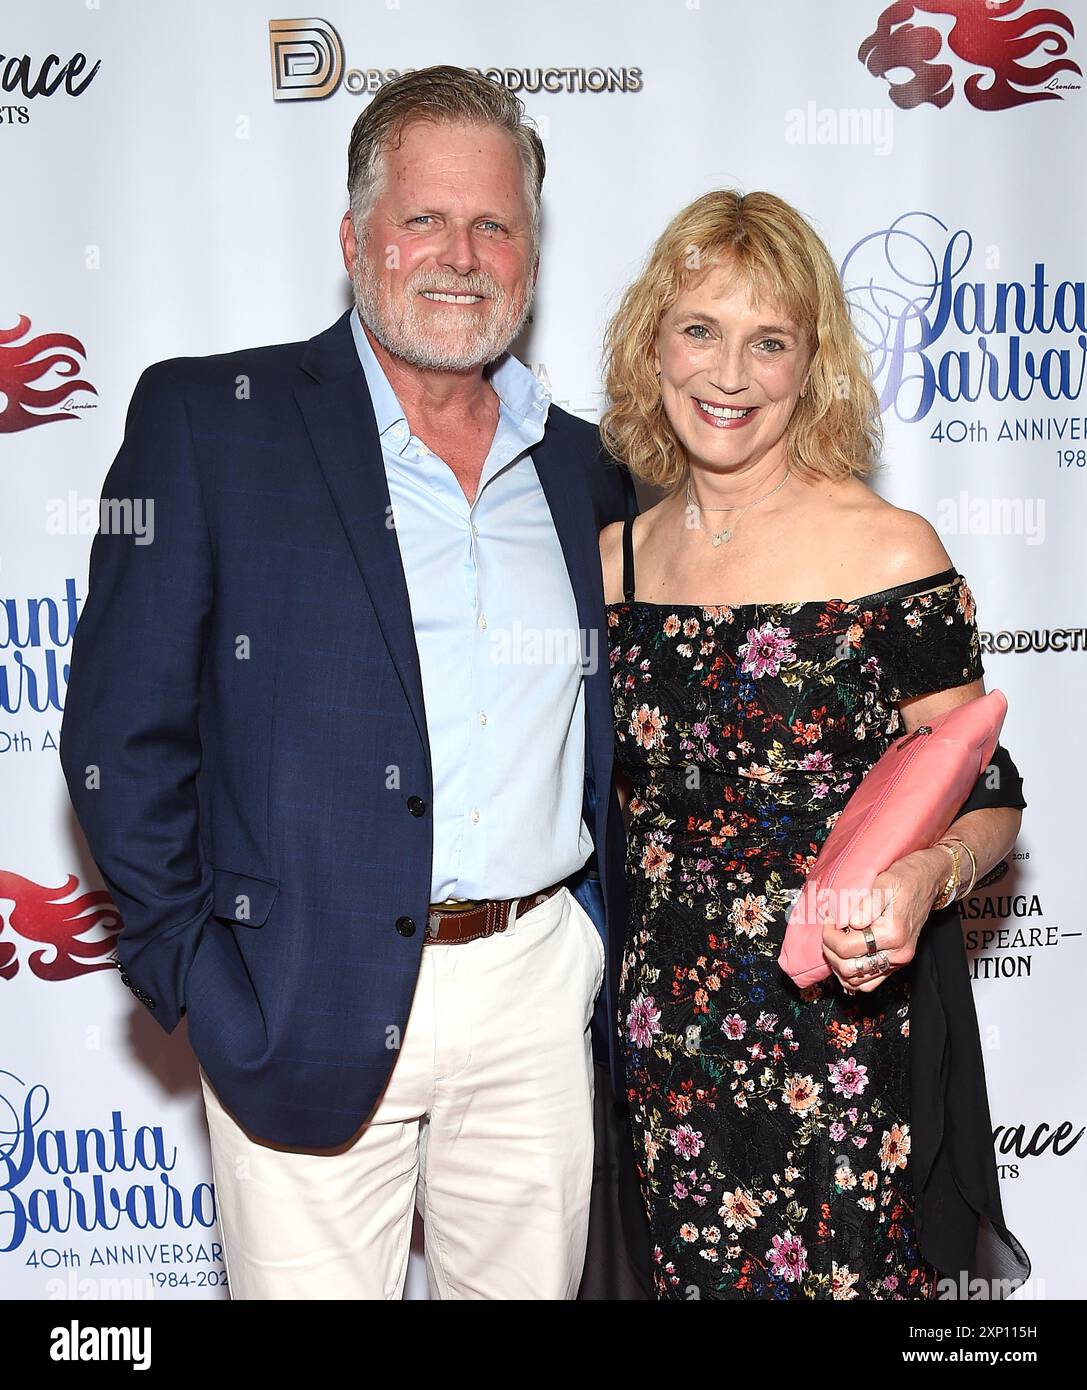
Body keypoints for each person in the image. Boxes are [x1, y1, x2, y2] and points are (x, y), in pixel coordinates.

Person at [59, 66, 639, 1300]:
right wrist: (193, 968)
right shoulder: (213, 421)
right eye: (424, 218)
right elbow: (121, 729)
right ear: (355, 238)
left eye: (495, 223)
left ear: (532, 250)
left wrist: (586, 946)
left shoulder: (585, 467)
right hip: (297, 991)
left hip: (535, 992)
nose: (461, 255)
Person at [598, 189, 1030, 1300]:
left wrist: (930, 872)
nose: (728, 373)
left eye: (768, 341)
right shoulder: (611, 564)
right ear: (653, 345)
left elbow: (986, 783)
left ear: (812, 365)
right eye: (699, 329)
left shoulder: (887, 549)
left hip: (841, 1034)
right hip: (665, 1046)